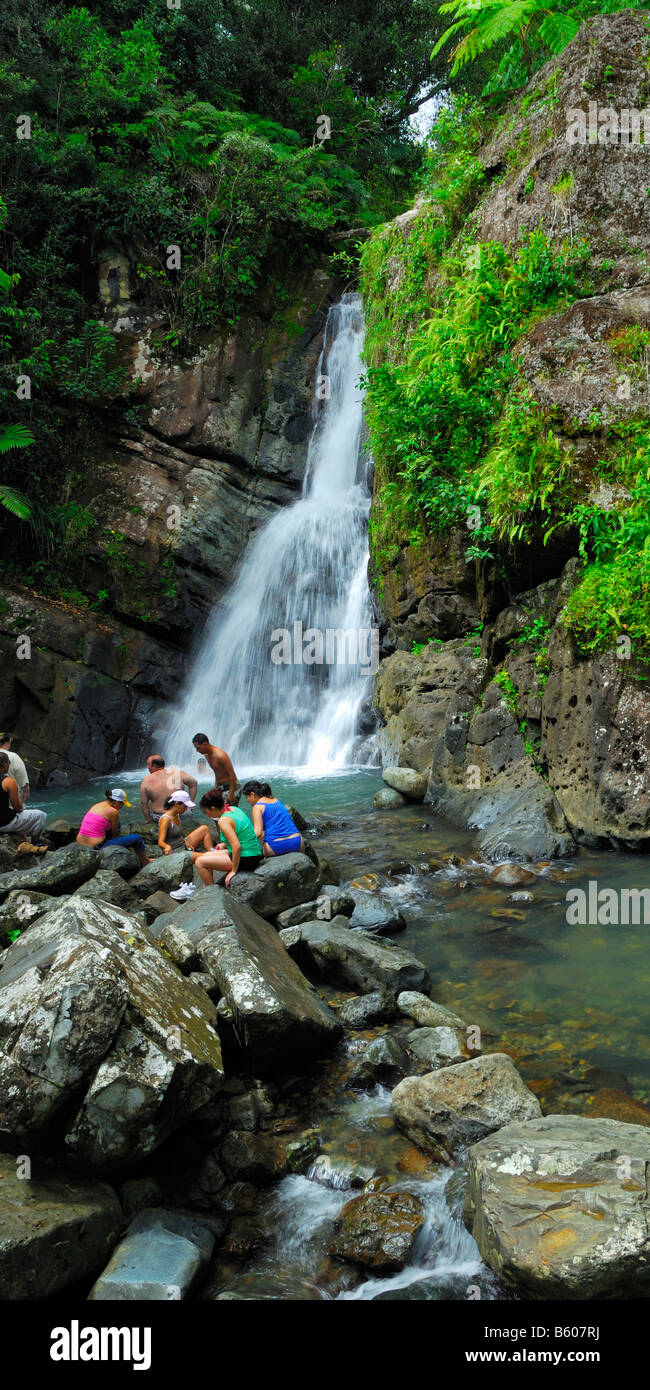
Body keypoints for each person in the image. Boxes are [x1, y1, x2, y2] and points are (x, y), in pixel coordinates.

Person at [194, 788, 262, 887]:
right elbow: (241, 834)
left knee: (199, 862)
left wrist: (234, 870)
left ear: (213, 808)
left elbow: (237, 846)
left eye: (206, 812)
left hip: (247, 859)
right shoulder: (234, 809)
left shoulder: (223, 820)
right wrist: (225, 844)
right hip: (254, 853)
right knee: (206, 855)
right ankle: (208, 884)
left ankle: (210, 892)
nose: (207, 815)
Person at [77, 789, 150, 867]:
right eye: (122, 804)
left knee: (116, 823)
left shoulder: (97, 805)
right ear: (117, 802)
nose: (122, 807)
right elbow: (116, 834)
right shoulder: (113, 812)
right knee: (137, 838)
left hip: (81, 845)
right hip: (97, 848)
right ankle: (144, 862)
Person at [242, 780, 303, 857]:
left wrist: (242, 842)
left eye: (247, 797)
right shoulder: (276, 800)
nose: (247, 801)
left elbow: (257, 833)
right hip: (297, 841)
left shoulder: (257, 807)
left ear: (252, 794)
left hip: (276, 846)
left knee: (260, 850)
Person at [0, 751, 47, 843]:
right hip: (4, 824)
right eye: (9, 763)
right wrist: (18, 808)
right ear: (5, 765)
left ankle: (23, 839)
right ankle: (35, 843)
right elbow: (18, 808)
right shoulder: (8, 782)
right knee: (41, 815)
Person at [139, 755, 198, 823]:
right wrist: (189, 805)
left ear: (154, 765)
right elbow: (194, 783)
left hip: (160, 817)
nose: (148, 767)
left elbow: (144, 803)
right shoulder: (177, 773)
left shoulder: (146, 781)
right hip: (183, 815)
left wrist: (148, 820)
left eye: (148, 764)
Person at [192, 733, 240, 805]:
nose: (197, 751)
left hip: (232, 787)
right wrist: (216, 787)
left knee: (228, 812)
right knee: (215, 810)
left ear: (205, 744)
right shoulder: (206, 755)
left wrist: (231, 793)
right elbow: (217, 771)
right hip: (221, 787)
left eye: (198, 748)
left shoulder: (220, 755)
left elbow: (232, 775)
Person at [0, 732, 30, 803]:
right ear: (6, 743)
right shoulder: (14, 757)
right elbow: (23, 781)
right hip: (11, 802)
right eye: (10, 743)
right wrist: (26, 792)